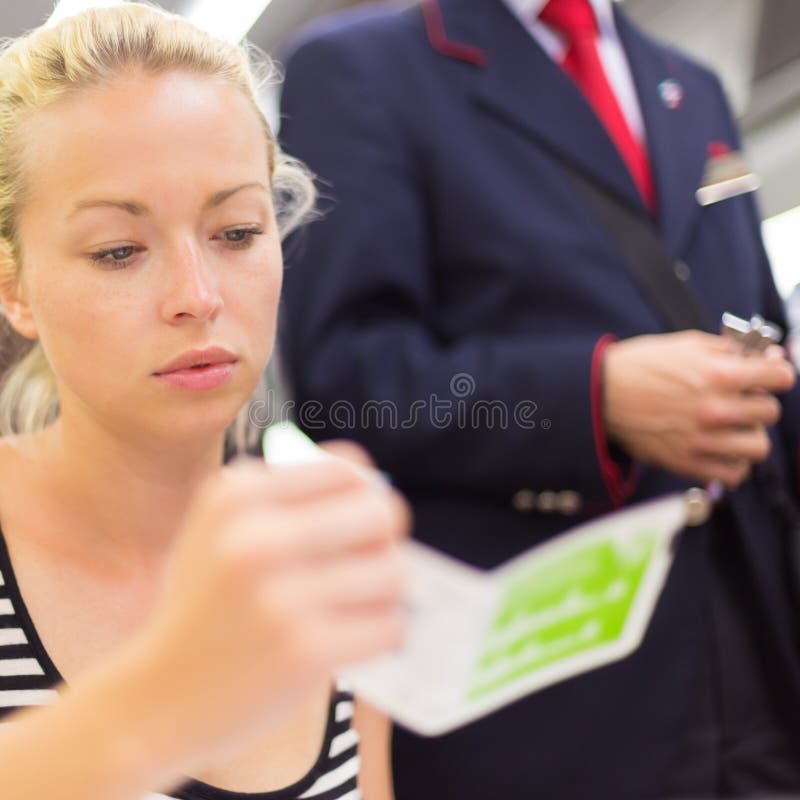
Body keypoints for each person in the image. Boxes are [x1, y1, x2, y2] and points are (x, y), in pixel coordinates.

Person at [278, 0, 800, 797]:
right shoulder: (360, 70)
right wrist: (593, 399)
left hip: (756, 642)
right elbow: (347, 387)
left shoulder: (689, 85)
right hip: (549, 690)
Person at [0, 4, 409, 799]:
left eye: (236, 233)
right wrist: (163, 700)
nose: (198, 296)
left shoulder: (325, 564)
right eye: (119, 250)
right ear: (14, 288)